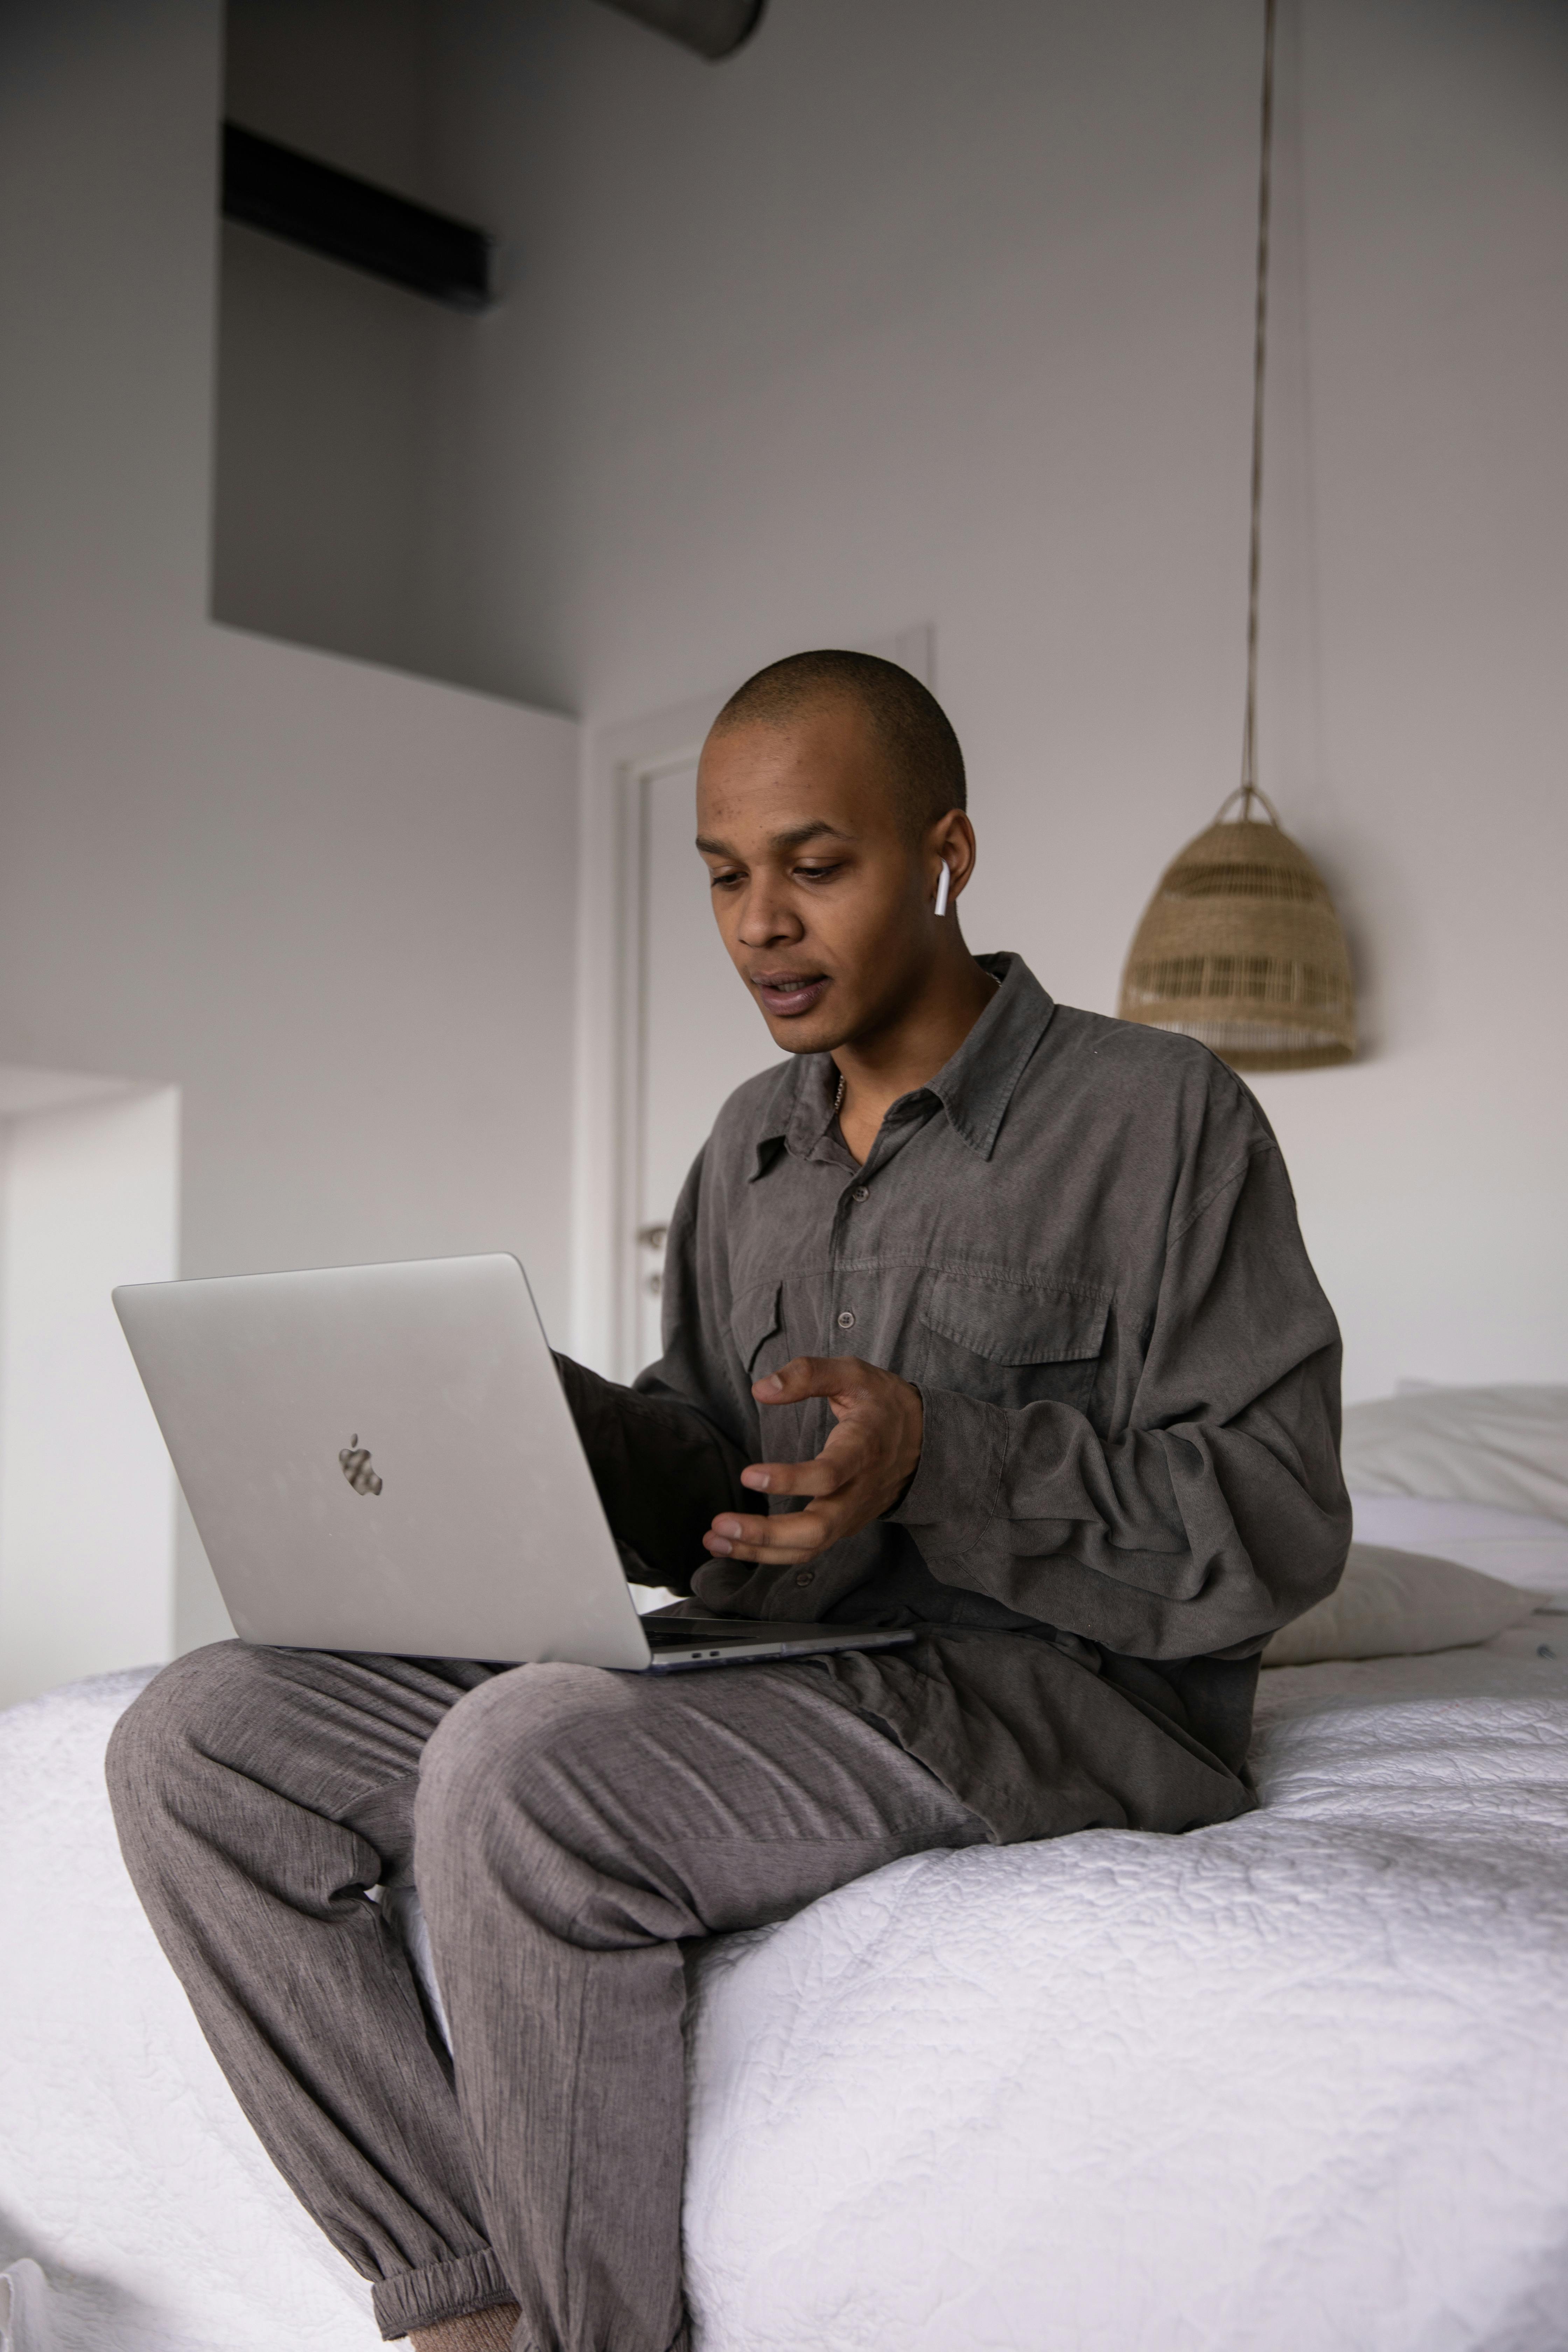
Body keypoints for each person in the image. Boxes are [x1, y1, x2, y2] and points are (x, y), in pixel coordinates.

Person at [107, 650, 1350, 2352]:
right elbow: (715, 1482)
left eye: (814, 865)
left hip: (1047, 1695)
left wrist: (941, 1455)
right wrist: (530, 1418)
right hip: (776, 1662)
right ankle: (474, 2308)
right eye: (721, 874)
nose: (759, 920)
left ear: (945, 852)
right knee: (203, 1737)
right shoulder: (744, 1149)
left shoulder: (1158, 1119)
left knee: (525, 1762)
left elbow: (1275, 1526)